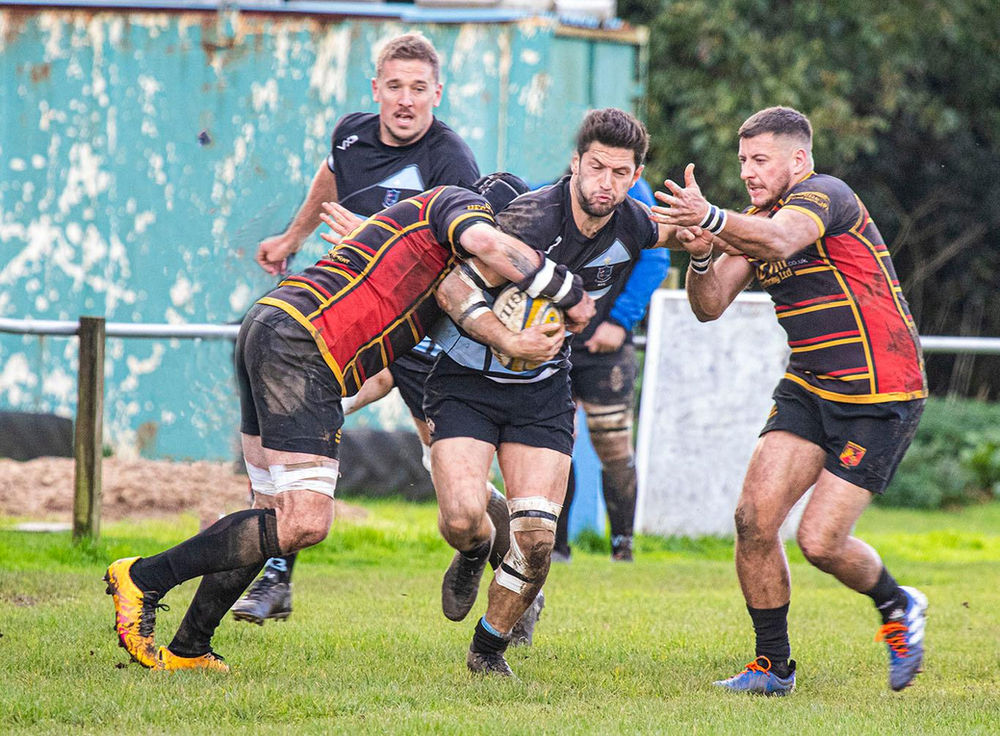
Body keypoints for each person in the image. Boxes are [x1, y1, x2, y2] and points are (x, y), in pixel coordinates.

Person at [103, 177, 594, 672]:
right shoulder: (460, 204)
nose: (509, 266)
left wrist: (312, 416)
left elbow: (380, 378)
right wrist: (568, 291)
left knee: (270, 511)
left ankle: (189, 647)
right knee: (304, 521)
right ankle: (144, 579)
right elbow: (489, 241)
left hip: (276, 327)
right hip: (305, 344)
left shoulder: (439, 280)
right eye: (514, 248)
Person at [651, 105, 928, 694]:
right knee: (753, 521)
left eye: (760, 159)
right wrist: (701, 250)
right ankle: (773, 667)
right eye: (743, 160)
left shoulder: (827, 195)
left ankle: (898, 604)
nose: (749, 171)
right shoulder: (749, 220)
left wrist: (712, 216)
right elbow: (708, 304)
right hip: (809, 386)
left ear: (798, 160)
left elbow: (782, 237)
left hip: (882, 390)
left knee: (820, 543)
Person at [425, 108, 683, 677]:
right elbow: (452, 286)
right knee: (465, 517)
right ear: (576, 164)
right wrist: (508, 337)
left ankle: (487, 651)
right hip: (468, 381)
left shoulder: (632, 224)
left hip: (541, 393)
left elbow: (685, 232)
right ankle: (473, 552)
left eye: (620, 172)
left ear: (635, 174)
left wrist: (713, 228)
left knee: (538, 538)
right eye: (596, 168)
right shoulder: (530, 218)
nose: (605, 184)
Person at [234, 31, 481, 624]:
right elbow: (330, 173)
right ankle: (275, 576)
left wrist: (373, 245)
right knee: (294, 424)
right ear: (376, 89)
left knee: (458, 498)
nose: (405, 100)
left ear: (437, 94)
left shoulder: (452, 163)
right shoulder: (350, 133)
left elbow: (468, 260)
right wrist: (293, 238)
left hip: (424, 333)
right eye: (394, 86)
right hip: (357, 329)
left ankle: (508, 559)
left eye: (418, 89)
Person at [552, 178, 671, 563]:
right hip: (554, 343)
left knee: (613, 444)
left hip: (606, 345)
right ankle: (555, 547)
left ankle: (623, 547)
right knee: (553, 445)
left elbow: (656, 259)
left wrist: (620, 321)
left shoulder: (637, 196)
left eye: (618, 165)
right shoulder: (555, 194)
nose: (607, 174)